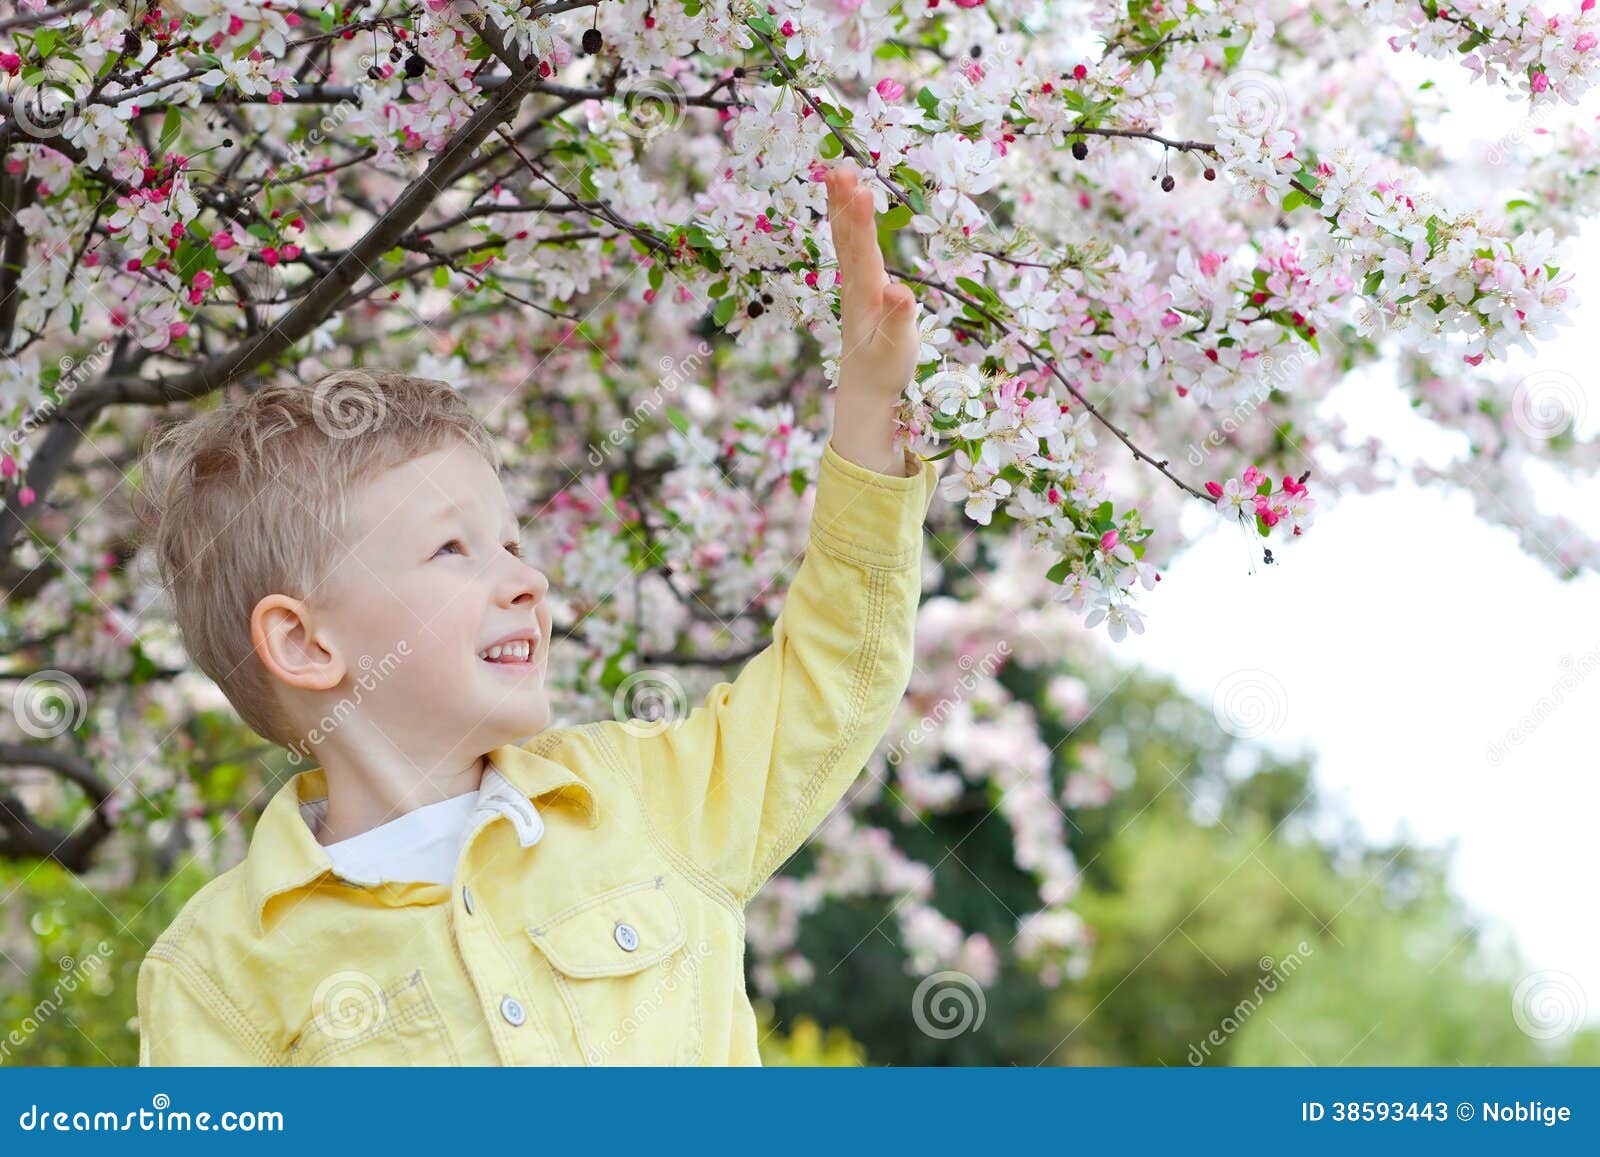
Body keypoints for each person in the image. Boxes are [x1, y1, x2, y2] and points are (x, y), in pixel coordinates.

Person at [133, 159, 938, 1065]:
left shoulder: (646, 799)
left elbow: (835, 678)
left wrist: (869, 403)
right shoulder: (218, 972)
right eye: (452, 549)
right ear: (304, 641)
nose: (527, 580)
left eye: (513, 544)